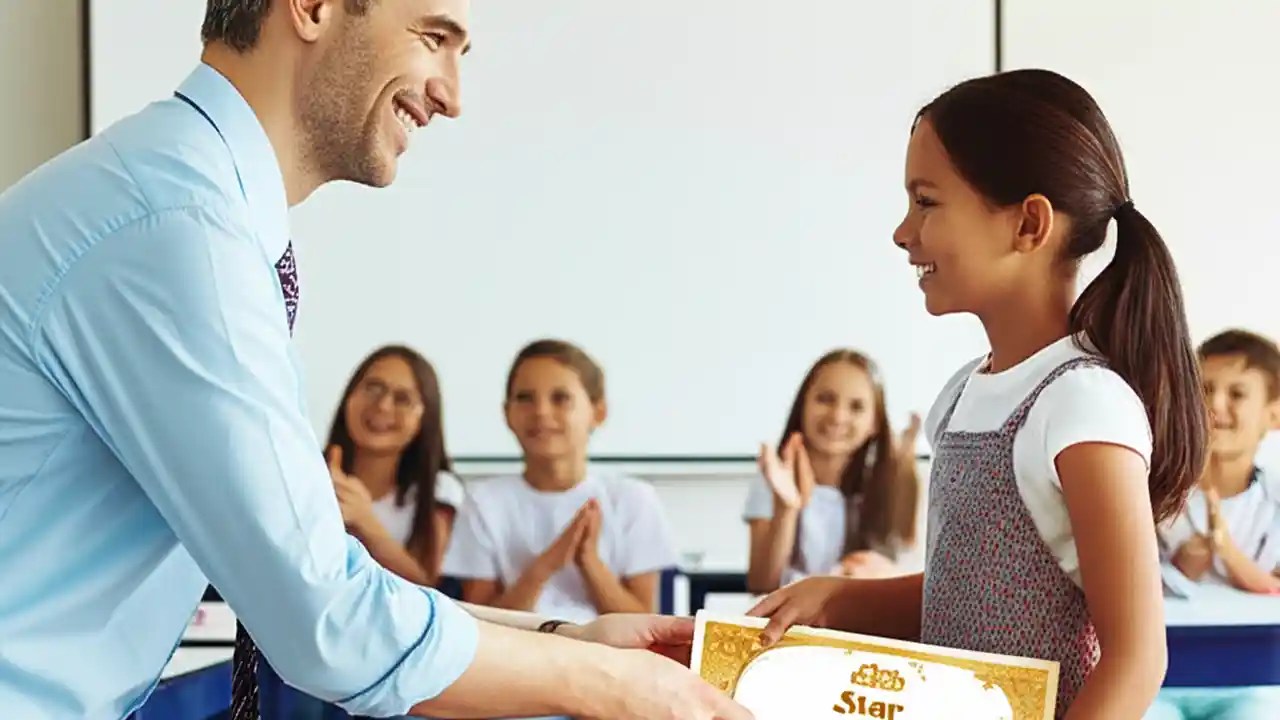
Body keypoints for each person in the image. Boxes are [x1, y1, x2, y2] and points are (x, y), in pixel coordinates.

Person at [0, 2, 751, 719]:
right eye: (433, 38)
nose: (452, 97)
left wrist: (569, 641)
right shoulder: (177, 230)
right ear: (313, 6)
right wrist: (614, 685)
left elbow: (323, 579)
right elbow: (327, 619)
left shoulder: (187, 203)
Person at [747, 68, 1206, 719]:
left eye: (926, 202)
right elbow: (970, 598)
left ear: (1028, 224)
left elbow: (1136, 659)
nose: (903, 232)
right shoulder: (963, 394)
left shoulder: (1083, 404)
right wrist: (840, 598)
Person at [444, 339, 679, 624]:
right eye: (525, 398)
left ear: (598, 412)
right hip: (518, 649)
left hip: (603, 650)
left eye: (560, 398)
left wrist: (589, 562)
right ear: (507, 414)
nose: (541, 411)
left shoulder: (633, 499)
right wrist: (545, 565)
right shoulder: (484, 501)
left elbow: (645, 623)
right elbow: (479, 624)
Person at [1145, 329, 1280, 720]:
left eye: (1237, 394)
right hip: (1158, 681)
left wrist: (1229, 554)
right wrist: (1179, 570)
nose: (1215, 405)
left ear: (1273, 415)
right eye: (1204, 389)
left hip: (1254, 682)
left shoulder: (1274, 502)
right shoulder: (1150, 493)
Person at [744, 349, 920, 593]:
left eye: (856, 407)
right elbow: (762, 584)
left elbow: (911, 570)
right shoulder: (774, 477)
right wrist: (787, 508)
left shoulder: (886, 482)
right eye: (825, 399)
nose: (838, 416)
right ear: (802, 405)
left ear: (875, 423)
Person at [324, 344, 465, 587]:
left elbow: (427, 585)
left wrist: (365, 522)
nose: (383, 406)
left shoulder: (440, 489)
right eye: (373, 388)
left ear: (425, 417)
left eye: (403, 399)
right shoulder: (308, 472)